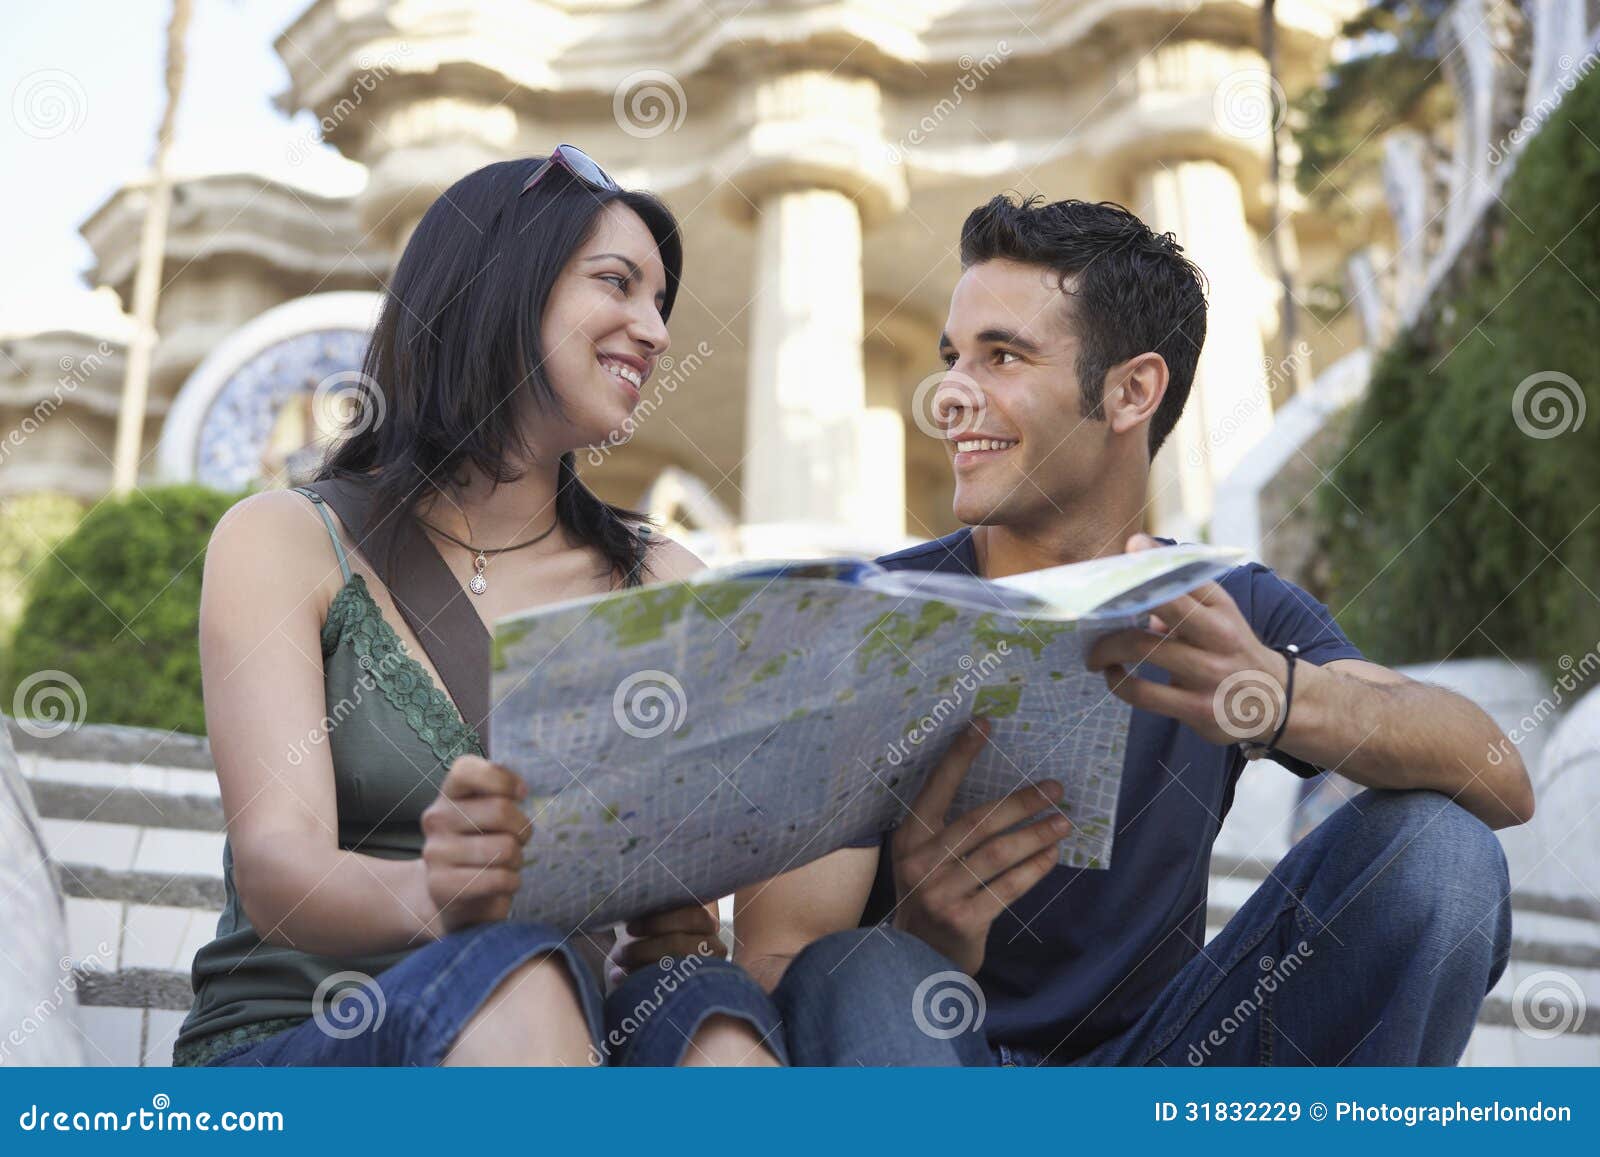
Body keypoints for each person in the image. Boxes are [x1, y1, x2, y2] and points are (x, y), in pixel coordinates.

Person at [731, 194, 1535, 1066]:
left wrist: (1274, 693)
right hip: (935, 1060)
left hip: (1161, 1076)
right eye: (953, 358)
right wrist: (923, 936)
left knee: (1438, 852)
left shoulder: (1224, 610)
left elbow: (1498, 775)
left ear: (1131, 391)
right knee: (861, 966)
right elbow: (774, 968)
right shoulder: (863, 619)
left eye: (1003, 356)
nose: (950, 395)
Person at [173, 147, 780, 1068]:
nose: (655, 331)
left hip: (566, 1038)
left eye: (661, 302)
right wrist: (441, 896)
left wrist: (676, 932)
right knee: (516, 972)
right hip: (305, 1042)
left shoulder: (666, 583)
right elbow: (277, 868)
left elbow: (693, 872)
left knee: (715, 1016)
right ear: (499, 287)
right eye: (617, 283)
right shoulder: (285, 540)